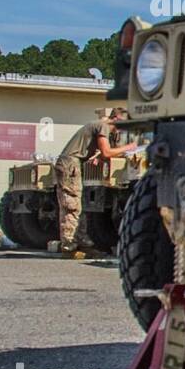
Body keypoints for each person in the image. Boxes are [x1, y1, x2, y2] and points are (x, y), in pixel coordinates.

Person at [53, 107, 136, 258]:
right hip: (70, 164)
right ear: (117, 119)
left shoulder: (99, 126)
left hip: (72, 164)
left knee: (78, 206)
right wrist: (130, 147)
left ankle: (81, 242)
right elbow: (107, 152)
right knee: (72, 206)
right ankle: (69, 246)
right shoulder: (103, 126)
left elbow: (103, 154)